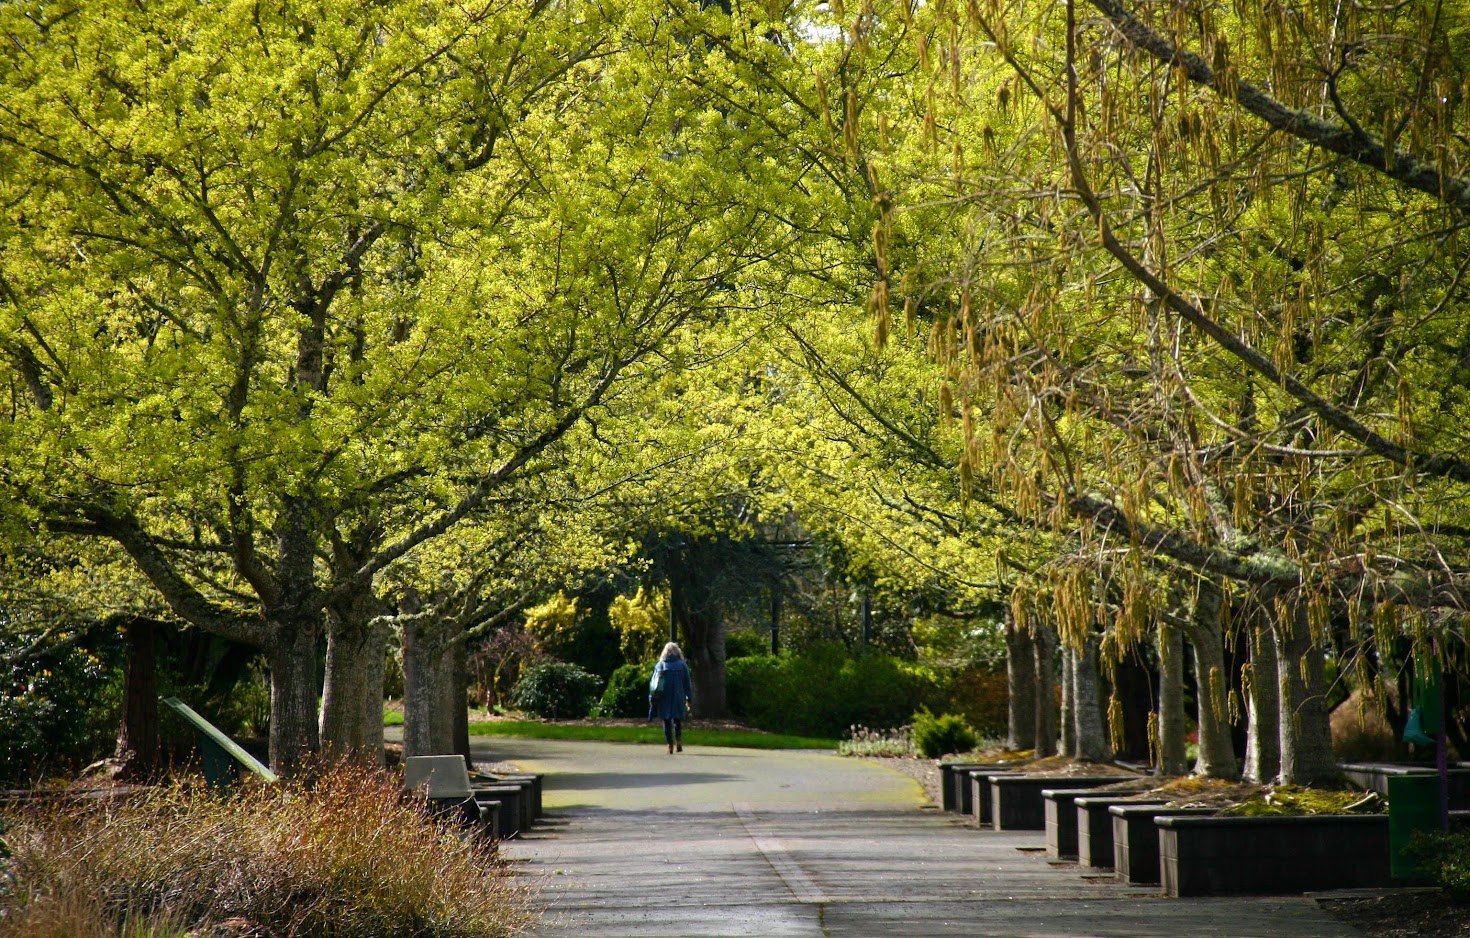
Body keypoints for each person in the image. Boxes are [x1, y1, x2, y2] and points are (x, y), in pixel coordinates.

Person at [649, 642, 693, 754]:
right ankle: (678, 741)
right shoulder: (682, 665)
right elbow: (687, 683)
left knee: (666, 720)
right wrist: (689, 698)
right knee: (677, 719)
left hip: (664, 696)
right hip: (678, 695)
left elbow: (654, 684)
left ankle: (669, 744)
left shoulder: (660, 665)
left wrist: (651, 697)